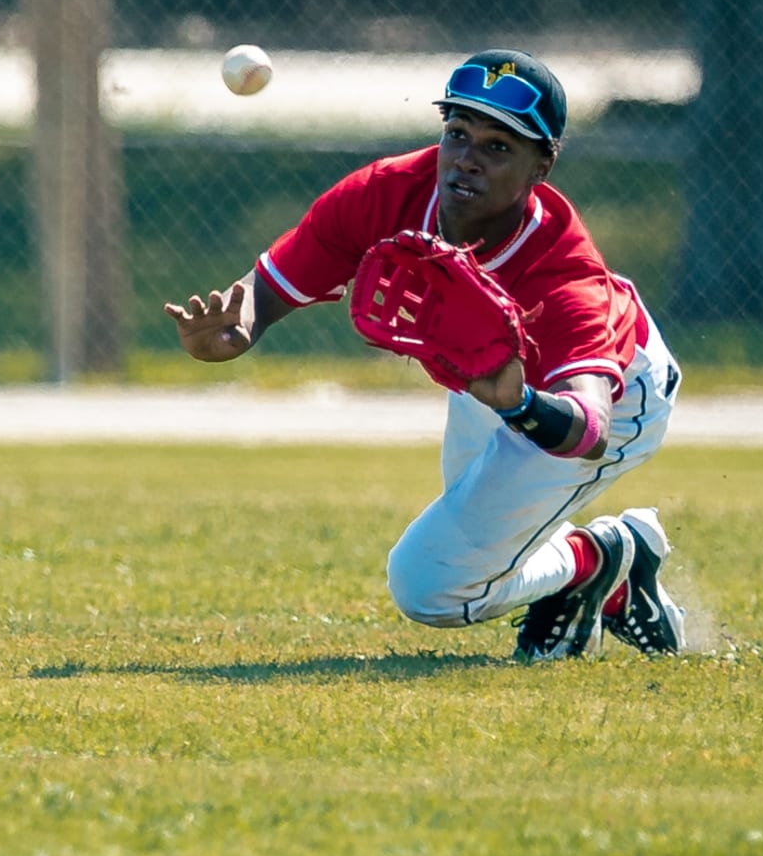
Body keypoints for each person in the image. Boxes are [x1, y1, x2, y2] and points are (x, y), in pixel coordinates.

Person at [163, 48, 686, 662]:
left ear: (541, 166)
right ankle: (600, 579)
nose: (466, 157)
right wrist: (234, 330)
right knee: (477, 545)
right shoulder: (389, 194)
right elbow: (267, 290)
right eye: (458, 133)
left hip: (610, 395)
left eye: (498, 147)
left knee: (433, 586)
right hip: (491, 383)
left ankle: (601, 560)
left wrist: (516, 404)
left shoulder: (565, 278)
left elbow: (589, 430)